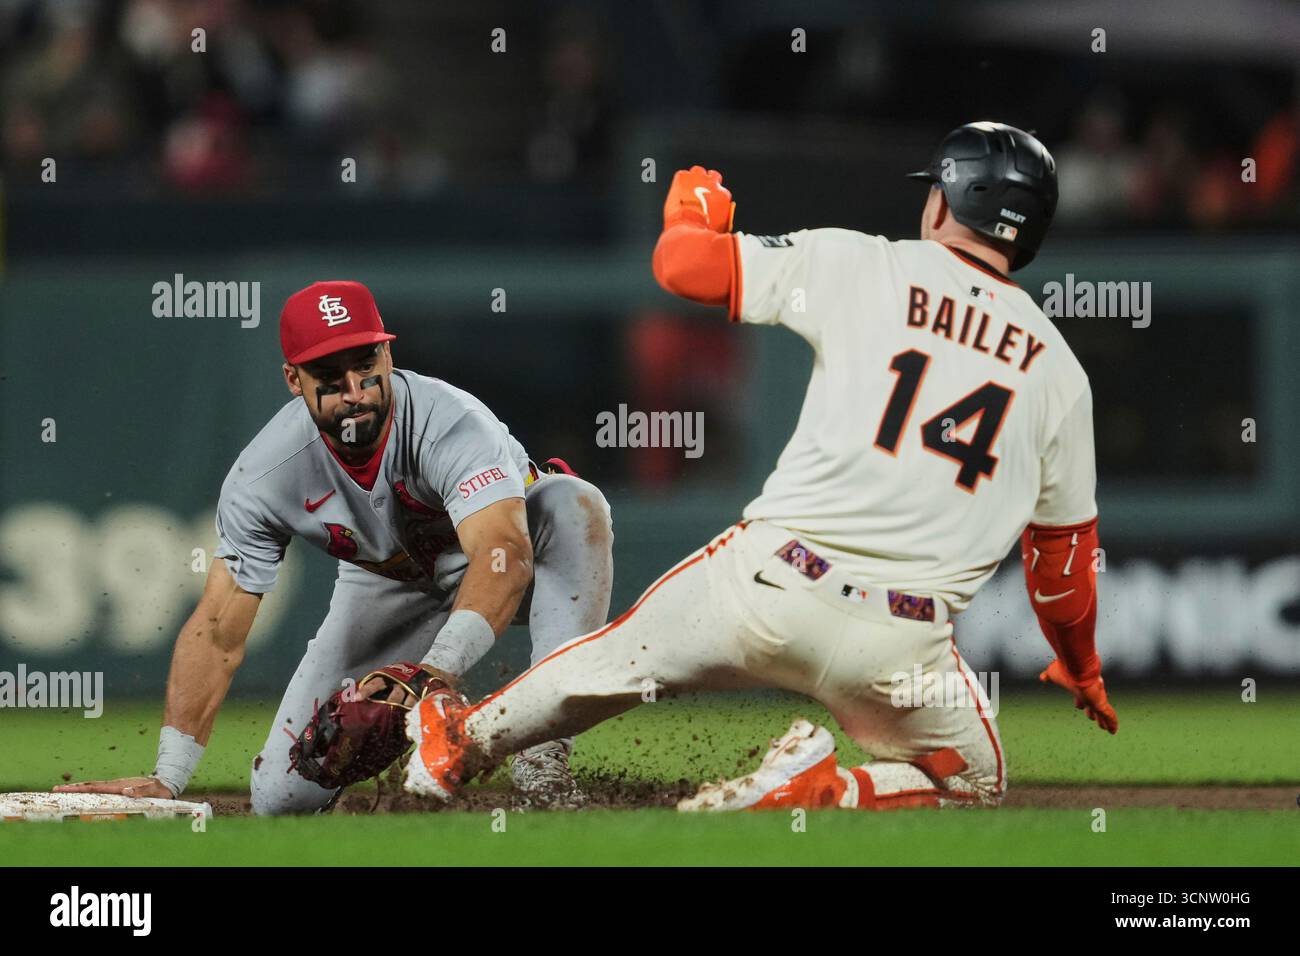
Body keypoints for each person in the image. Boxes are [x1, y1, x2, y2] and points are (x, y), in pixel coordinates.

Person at [404, 122, 1118, 812]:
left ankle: (456, 745)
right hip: (901, 641)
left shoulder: (866, 261)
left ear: (946, 199)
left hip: (767, 584)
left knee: (610, 665)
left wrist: (690, 215)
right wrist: (1080, 667)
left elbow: (681, 267)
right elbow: (1062, 563)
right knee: (970, 785)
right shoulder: (1061, 372)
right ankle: (829, 791)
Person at [55, 280, 614, 813]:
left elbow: (504, 557)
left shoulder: (451, 421)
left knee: (574, 506)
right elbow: (218, 630)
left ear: (387, 357)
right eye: (328, 374)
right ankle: (408, 740)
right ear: (293, 380)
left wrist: (429, 673)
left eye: (366, 366)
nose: (354, 391)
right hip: (391, 584)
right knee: (282, 795)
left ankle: (543, 757)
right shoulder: (264, 475)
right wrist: (168, 776)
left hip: (519, 561)